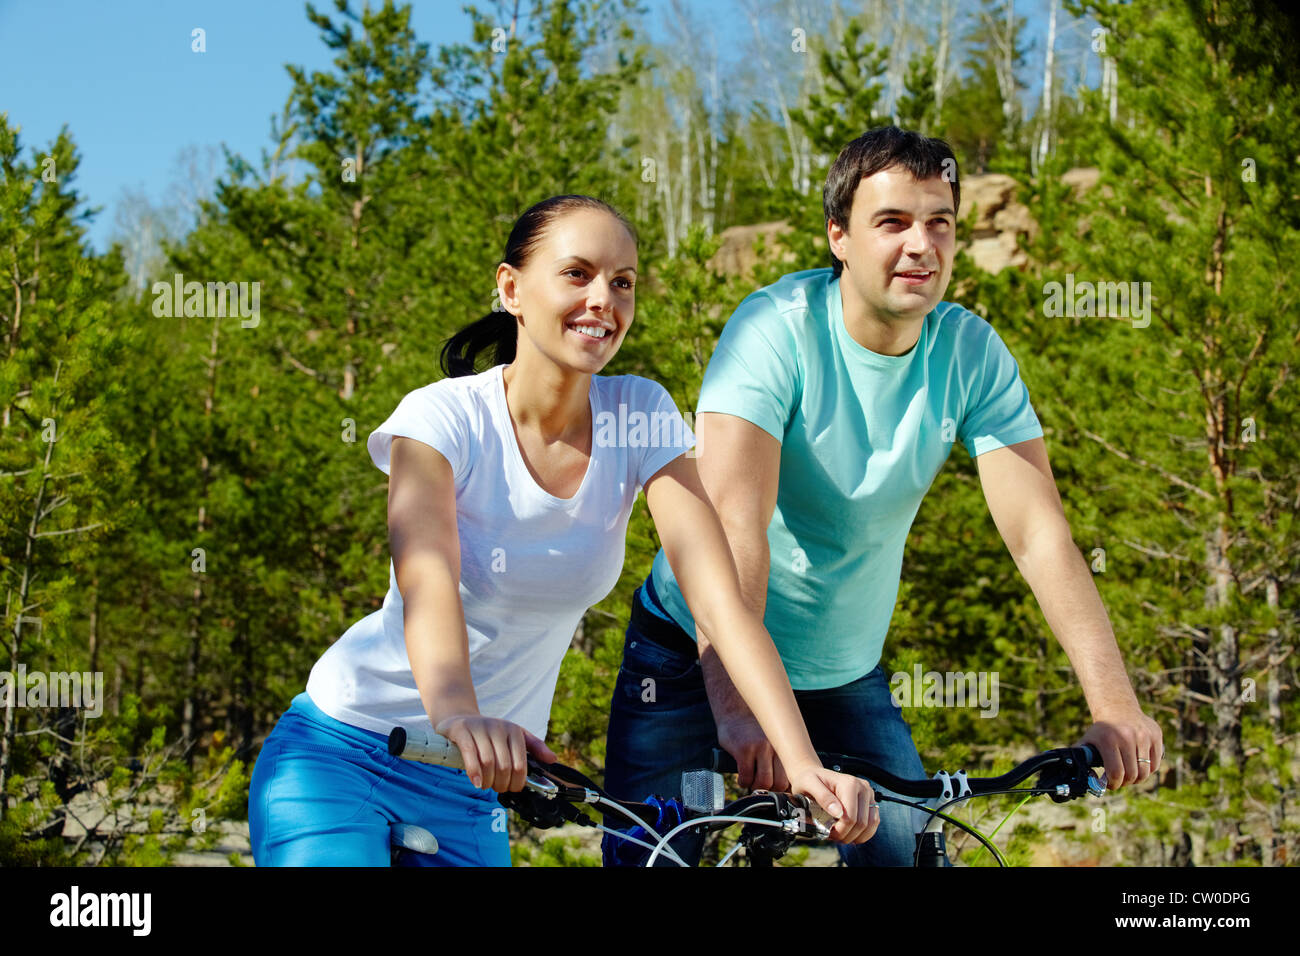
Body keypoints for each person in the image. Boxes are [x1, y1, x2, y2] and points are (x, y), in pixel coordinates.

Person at [247, 194, 878, 866]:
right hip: (342, 753)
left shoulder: (640, 412)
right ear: (511, 288)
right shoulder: (440, 419)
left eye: (623, 281)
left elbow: (721, 605)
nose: (604, 299)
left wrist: (802, 762)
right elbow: (426, 574)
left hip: (469, 786)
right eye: (577, 274)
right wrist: (459, 712)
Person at [601, 127, 1165, 867]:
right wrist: (741, 711)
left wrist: (1114, 705)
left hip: (842, 671)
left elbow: (1039, 537)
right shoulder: (776, 331)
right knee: (655, 858)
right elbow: (735, 529)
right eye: (892, 222)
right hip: (691, 655)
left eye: (940, 223)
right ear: (838, 236)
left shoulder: (969, 352)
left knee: (906, 855)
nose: (921, 246)